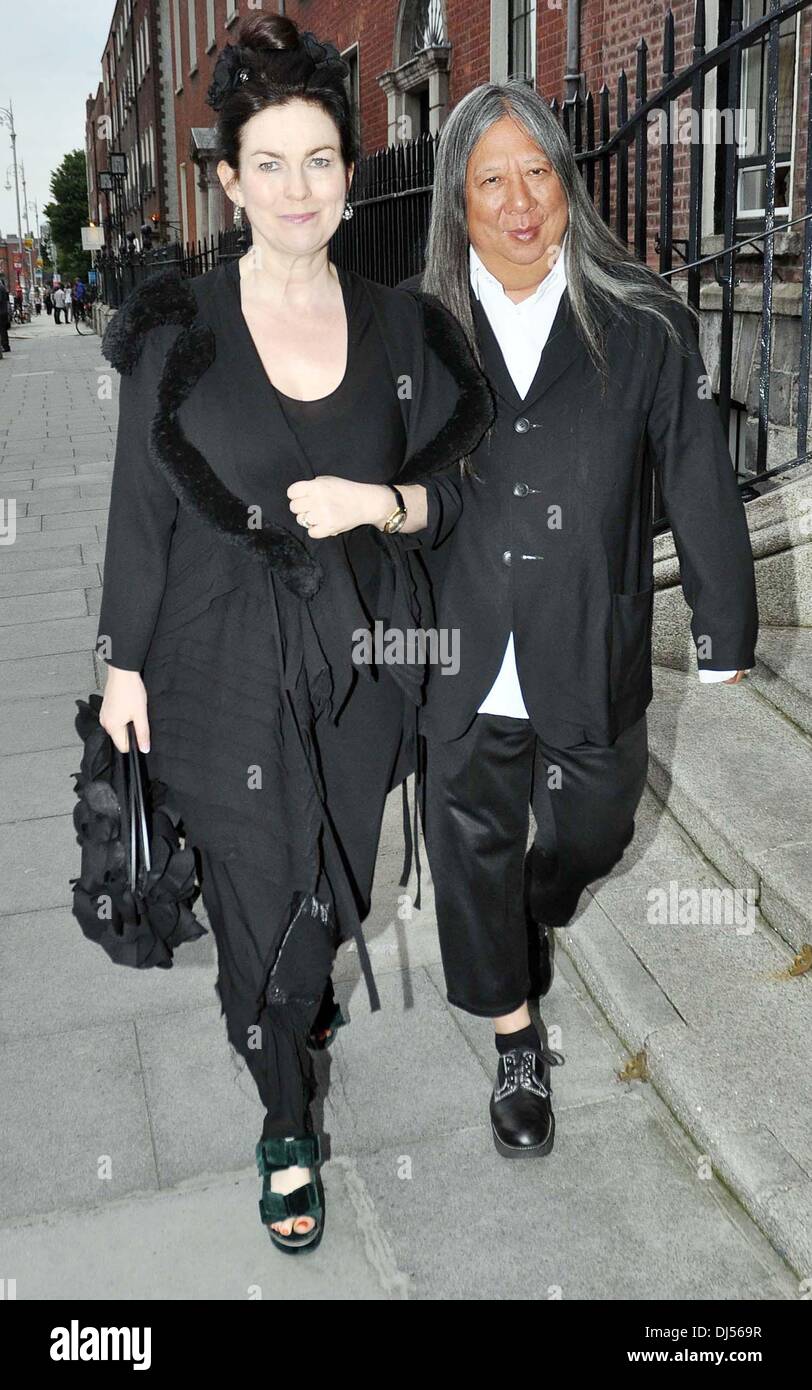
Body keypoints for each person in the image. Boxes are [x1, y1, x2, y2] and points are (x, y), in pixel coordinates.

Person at [95, 11, 492, 1254]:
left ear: (350, 167)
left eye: (319, 158)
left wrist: (380, 498)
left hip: (364, 660)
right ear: (229, 180)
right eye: (268, 162)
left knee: (332, 884)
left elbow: (447, 492)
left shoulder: (403, 327)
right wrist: (119, 662)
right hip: (212, 659)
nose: (296, 186)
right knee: (258, 893)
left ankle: (295, 1001)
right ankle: (283, 1125)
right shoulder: (180, 329)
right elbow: (141, 505)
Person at [392, 83, 758, 1160]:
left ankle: (530, 910)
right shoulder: (415, 329)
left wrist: (720, 631)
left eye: (536, 173)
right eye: (489, 179)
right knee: (468, 848)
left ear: (566, 182)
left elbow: (693, 478)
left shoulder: (641, 318)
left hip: (585, 646)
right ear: (458, 203)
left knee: (591, 830)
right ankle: (512, 1038)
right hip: (460, 651)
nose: (517, 202)